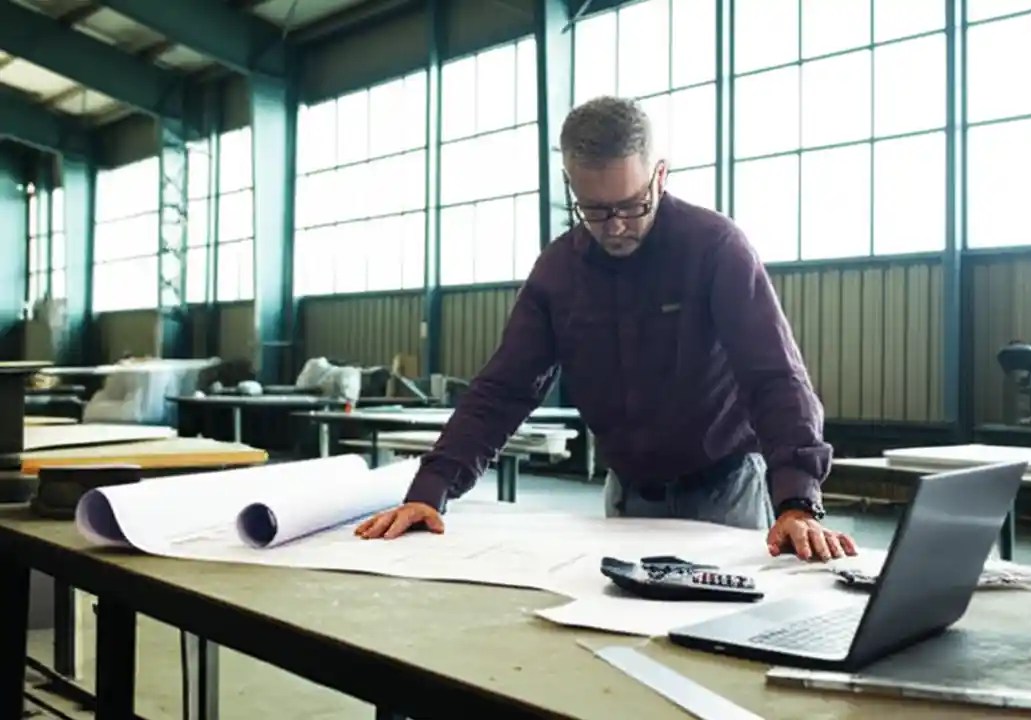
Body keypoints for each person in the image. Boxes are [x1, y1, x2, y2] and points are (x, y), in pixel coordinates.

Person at [356, 96, 856, 562]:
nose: (614, 226)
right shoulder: (557, 272)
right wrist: (431, 490)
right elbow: (503, 389)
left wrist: (797, 500)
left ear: (660, 176)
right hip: (624, 499)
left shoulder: (715, 248)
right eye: (593, 210)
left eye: (631, 205)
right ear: (569, 183)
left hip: (724, 495)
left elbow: (774, 376)